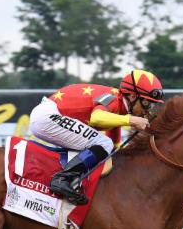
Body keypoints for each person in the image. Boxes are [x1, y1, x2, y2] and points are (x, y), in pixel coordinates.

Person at [29, 69, 164, 204]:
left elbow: (113, 139)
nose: (148, 109)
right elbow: (97, 118)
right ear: (133, 96)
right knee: (102, 143)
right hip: (47, 117)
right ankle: (62, 179)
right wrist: (131, 120)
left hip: (47, 115)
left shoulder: (119, 104)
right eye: (147, 103)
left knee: (104, 145)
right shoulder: (114, 98)